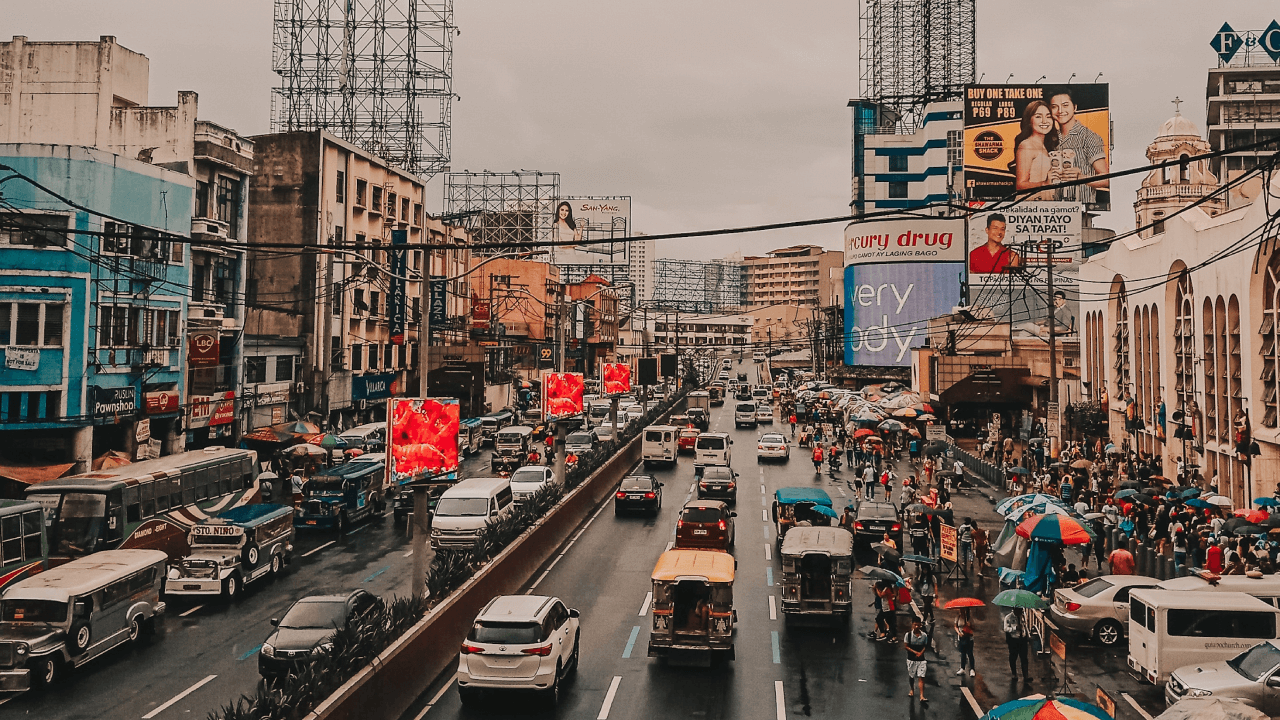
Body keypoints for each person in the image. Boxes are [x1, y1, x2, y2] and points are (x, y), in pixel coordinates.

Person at [1050, 89, 1110, 206]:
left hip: (1081, 208)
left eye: (1065, 105)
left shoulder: (1089, 136)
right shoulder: (1051, 138)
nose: (1060, 111)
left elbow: (1106, 179)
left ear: (1075, 108)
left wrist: (1081, 177)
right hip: (1054, 209)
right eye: (1054, 107)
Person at [1012, 100, 1058, 199]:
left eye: (1048, 116)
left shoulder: (1047, 146)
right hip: (1030, 205)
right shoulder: (1026, 145)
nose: (1045, 121)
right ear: (1029, 121)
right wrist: (1044, 184)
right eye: (1038, 116)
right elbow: (1020, 185)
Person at [904, 616, 930, 703]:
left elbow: (925, 646)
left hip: (921, 660)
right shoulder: (908, 635)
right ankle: (912, 689)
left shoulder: (924, 636)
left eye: (918, 625)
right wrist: (915, 652)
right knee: (912, 676)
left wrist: (921, 653)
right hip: (911, 659)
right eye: (915, 625)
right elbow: (906, 646)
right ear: (912, 625)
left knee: (921, 676)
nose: (916, 627)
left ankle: (921, 696)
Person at [1004, 610, 1030, 683]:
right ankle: (1014, 674)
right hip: (1013, 640)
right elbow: (1005, 628)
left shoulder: (1023, 616)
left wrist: (1027, 635)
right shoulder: (1008, 617)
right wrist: (1015, 628)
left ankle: (1026, 676)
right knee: (1013, 657)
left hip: (1023, 639)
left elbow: (1025, 626)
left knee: (1024, 658)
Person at [955, 612, 976, 678]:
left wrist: (970, 625)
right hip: (961, 638)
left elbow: (974, 628)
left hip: (969, 638)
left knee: (970, 653)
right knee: (963, 653)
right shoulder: (958, 617)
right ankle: (962, 668)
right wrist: (958, 632)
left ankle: (972, 669)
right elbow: (955, 626)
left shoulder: (969, 618)